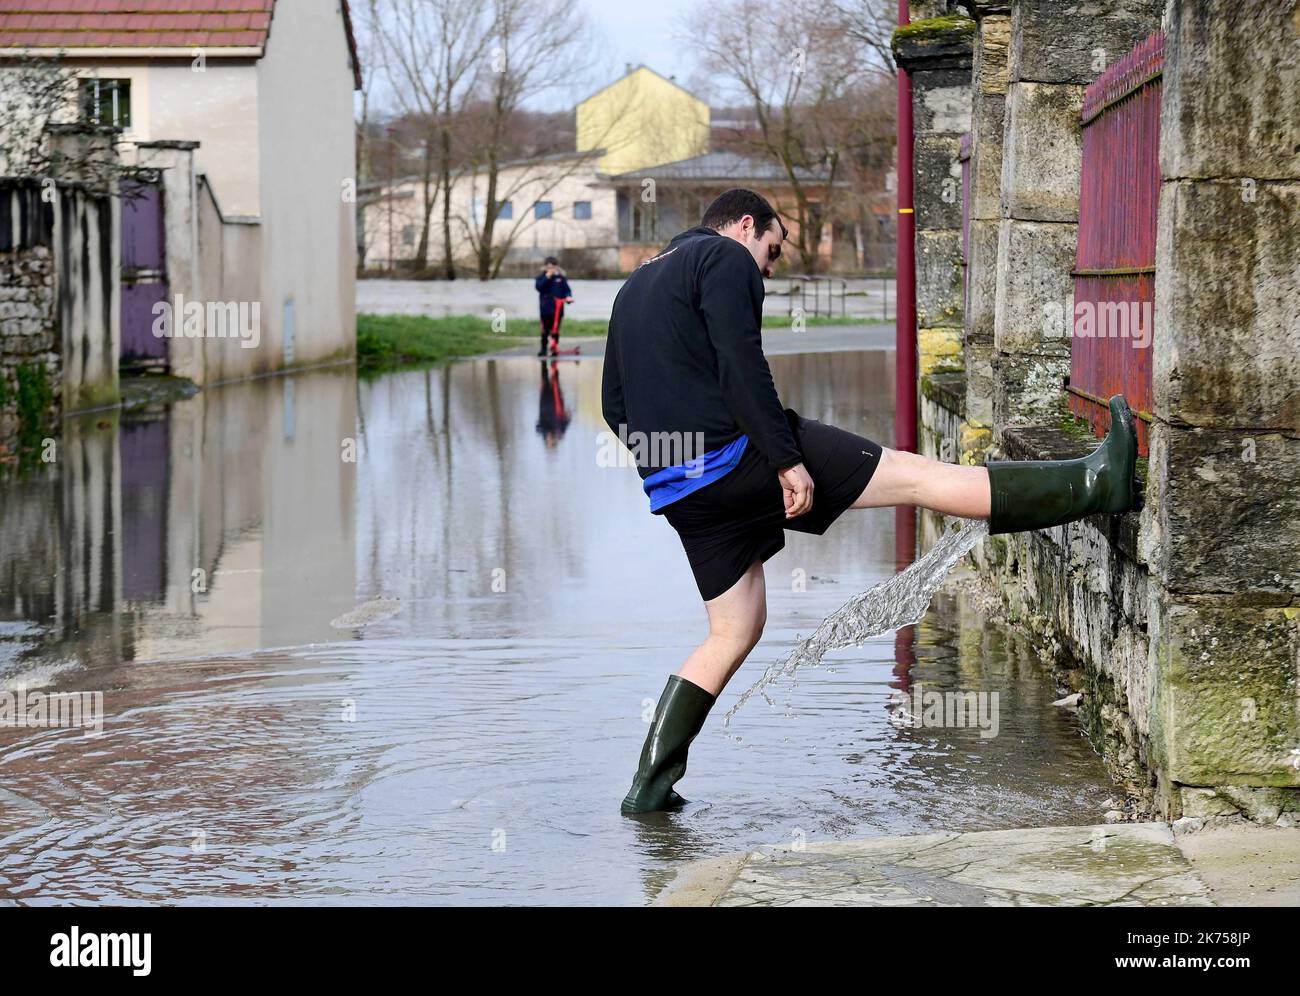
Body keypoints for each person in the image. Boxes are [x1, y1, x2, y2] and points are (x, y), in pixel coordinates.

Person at [602, 188, 1138, 815]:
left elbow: (616, 407)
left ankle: (649, 789)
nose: (769, 268)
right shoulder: (724, 258)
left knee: (734, 629)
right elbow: (740, 363)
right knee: (914, 475)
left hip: (679, 489)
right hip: (739, 457)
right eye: (772, 251)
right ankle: (1095, 483)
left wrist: (675, 466)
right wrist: (782, 458)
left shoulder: (633, 287)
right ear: (745, 226)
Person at [535, 256, 573, 357]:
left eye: (553, 267)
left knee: (555, 330)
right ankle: (543, 349)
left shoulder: (560, 278)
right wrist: (547, 276)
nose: (551, 269)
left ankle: (554, 348)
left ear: (556, 267)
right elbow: (539, 287)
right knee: (544, 330)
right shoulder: (541, 277)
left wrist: (568, 297)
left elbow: (567, 290)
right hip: (545, 309)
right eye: (549, 267)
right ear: (545, 267)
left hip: (558, 309)